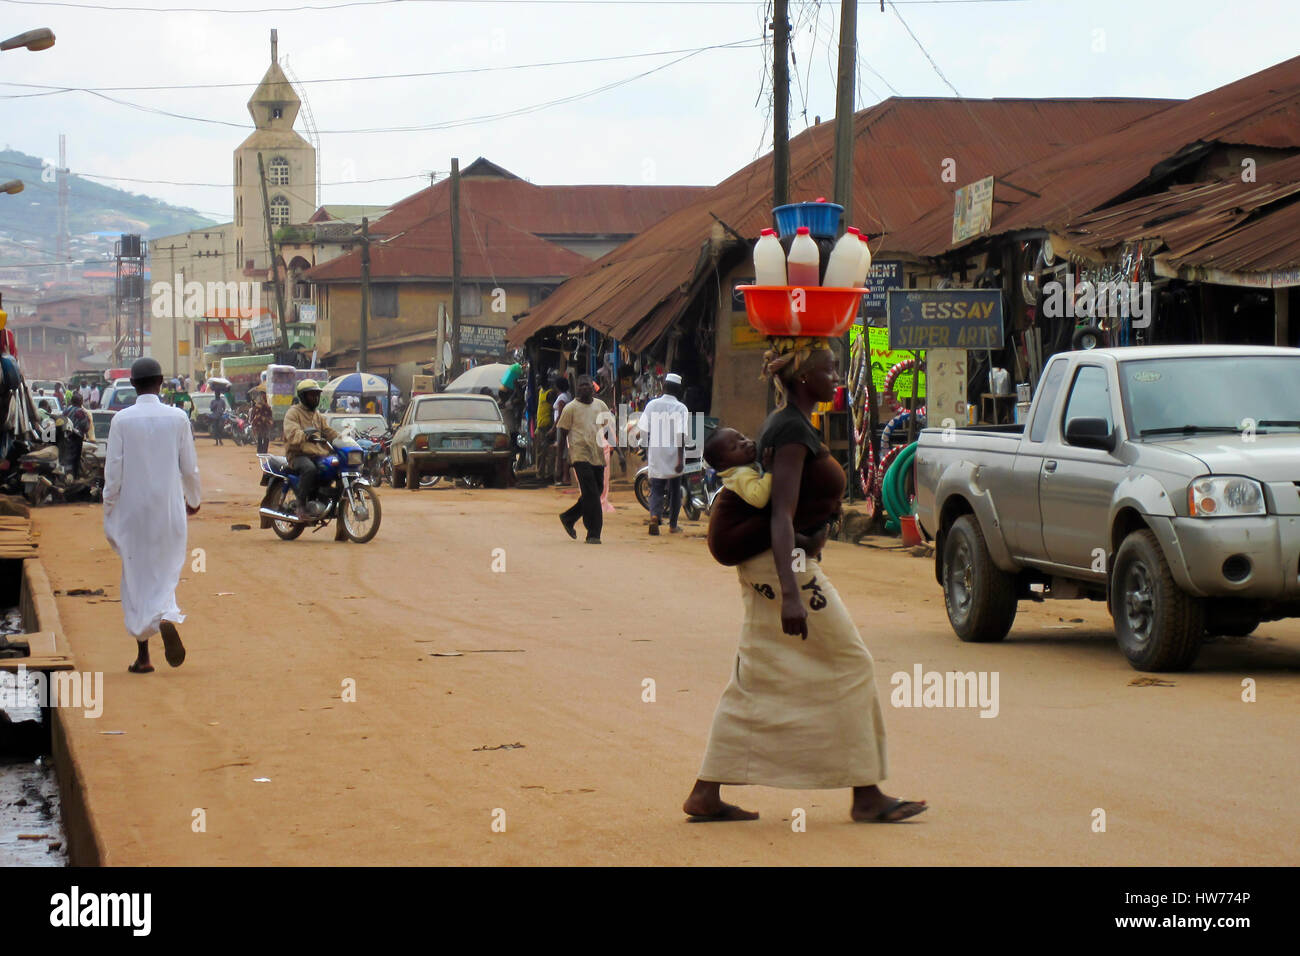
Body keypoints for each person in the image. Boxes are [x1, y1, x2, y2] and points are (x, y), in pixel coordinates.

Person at [683, 337, 926, 824]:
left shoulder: (792, 424)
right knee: (852, 661)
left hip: (772, 565)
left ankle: (706, 792)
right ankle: (866, 794)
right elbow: (780, 516)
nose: (836, 377)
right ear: (801, 379)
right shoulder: (791, 432)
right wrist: (792, 593)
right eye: (827, 369)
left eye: (836, 368)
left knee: (756, 672)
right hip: (781, 569)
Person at [103, 356, 201, 675]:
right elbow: (189, 467)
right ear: (162, 382)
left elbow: (113, 472)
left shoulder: (122, 421)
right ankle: (164, 613)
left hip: (133, 511)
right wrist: (194, 499)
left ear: (133, 385)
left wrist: (109, 505)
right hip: (169, 508)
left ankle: (143, 655)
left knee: (136, 576)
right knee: (164, 569)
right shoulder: (177, 418)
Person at [556, 375, 611, 544]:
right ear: (577, 389)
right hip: (579, 455)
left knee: (596, 490)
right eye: (582, 386)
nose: (585, 388)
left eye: (588, 385)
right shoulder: (570, 408)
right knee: (592, 494)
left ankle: (568, 517)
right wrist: (560, 462)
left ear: (593, 388)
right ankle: (594, 533)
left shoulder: (600, 406)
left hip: (597, 454)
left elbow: (607, 428)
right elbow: (562, 433)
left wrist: (611, 446)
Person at [638, 372, 690, 536]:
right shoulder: (681, 408)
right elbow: (681, 434)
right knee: (675, 490)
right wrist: (680, 459)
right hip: (675, 454)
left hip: (656, 452)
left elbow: (643, 429)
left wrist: (644, 446)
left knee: (657, 488)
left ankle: (654, 516)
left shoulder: (652, 405)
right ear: (678, 390)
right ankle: (673, 525)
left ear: (664, 387)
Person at [283, 380, 339, 520]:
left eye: (316, 395)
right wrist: (304, 434)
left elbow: (328, 431)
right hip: (298, 455)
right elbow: (292, 434)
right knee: (309, 469)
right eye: (311, 395)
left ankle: (328, 500)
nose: (315, 398)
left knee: (335, 467)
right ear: (303, 396)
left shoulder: (317, 416)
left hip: (318, 454)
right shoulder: (293, 413)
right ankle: (301, 504)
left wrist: (342, 438)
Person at [704, 426, 772, 508]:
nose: (743, 443)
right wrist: (769, 471)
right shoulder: (740, 475)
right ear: (724, 464)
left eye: (742, 438)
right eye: (734, 447)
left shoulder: (747, 467)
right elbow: (759, 499)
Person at [63, 392, 91, 477]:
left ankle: (65, 476)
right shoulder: (81, 413)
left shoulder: (66, 411)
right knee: (75, 459)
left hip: (65, 437)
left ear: (71, 401)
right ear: (81, 402)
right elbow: (85, 427)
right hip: (76, 438)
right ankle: (74, 477)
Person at [534, 373, 556, 480]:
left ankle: (549, 474)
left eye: (539, 379)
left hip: (547, 426)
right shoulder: (540, 391)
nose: (537, 381)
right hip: (540, 426)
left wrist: (552, 428)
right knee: (540, 452)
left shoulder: (550, 393)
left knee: (548, 452)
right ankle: (540, 474)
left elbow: (553, 411)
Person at [551, 377, 573, 485]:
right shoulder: (568, 395)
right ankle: (564, 476)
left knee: (562, 451)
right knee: (564, 450)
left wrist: (553, 428)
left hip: (561, 426)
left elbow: (560, 414)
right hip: (565, 425)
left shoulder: (562, 398)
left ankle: (564, 477)